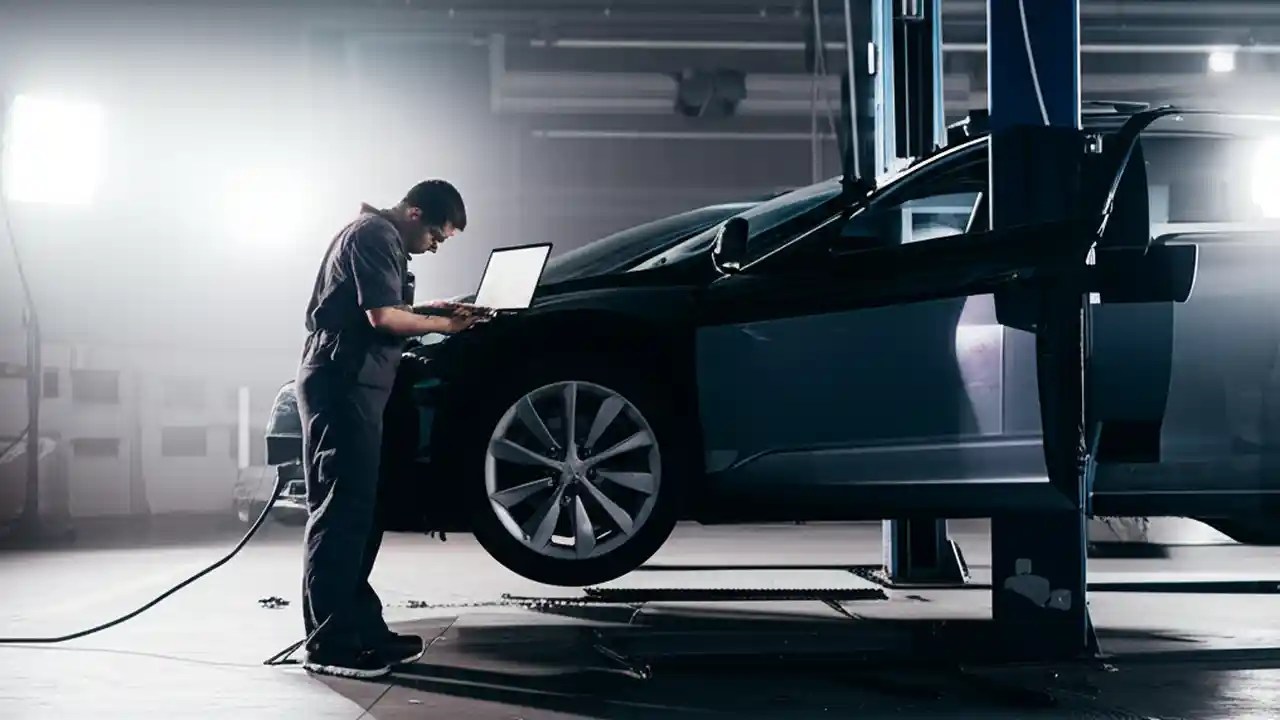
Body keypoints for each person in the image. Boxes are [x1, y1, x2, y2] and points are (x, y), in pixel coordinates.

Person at [296, 179, 488, 679]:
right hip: (343, 382)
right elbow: (382, 317)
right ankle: (330, 643)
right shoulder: (374, 235)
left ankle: (362, 629)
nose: (435, 246)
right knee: (342, 511)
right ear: (415, 213)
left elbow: (390, 309)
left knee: (364, 511)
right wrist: (446, 326)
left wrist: (436, 309)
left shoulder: (382, 238)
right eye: (437, 236)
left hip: (360, 383)